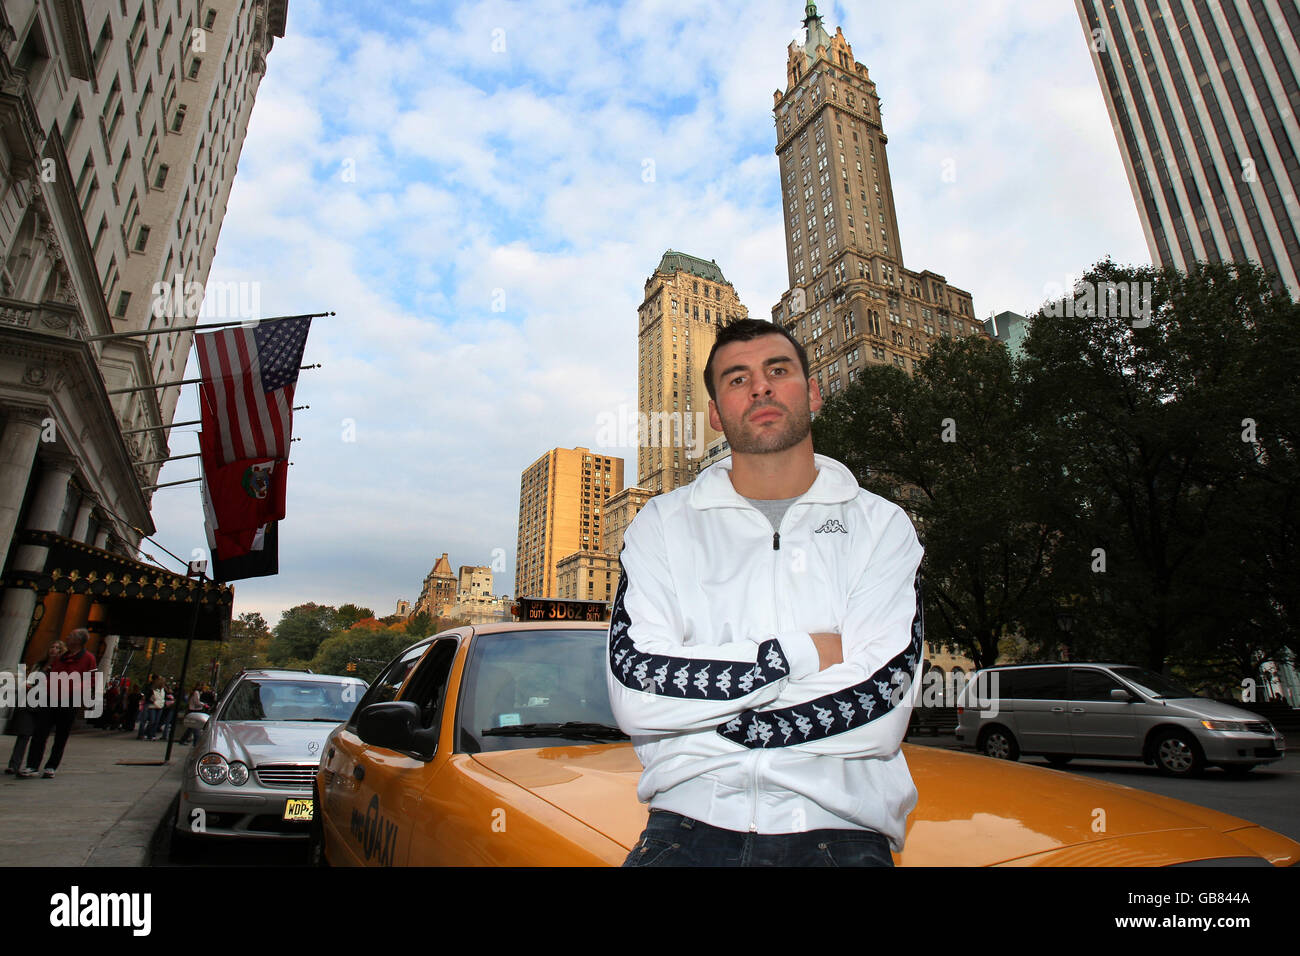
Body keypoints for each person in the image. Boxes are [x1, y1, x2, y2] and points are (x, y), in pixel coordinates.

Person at [608, 318, 924, 867]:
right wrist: (804, 653)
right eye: (736, 379)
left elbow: (883, 708)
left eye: (778, 370)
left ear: (814, 392)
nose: (760, 387)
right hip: (685, 830)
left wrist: (700, 722)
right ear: (714, 413)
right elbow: (637, 693)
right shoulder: (660, 524)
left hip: (841, 835)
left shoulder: (882, 525)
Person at [25, 629, 98, 778]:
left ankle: (51, 766)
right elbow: (52, 674)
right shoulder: (60, 658)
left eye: (70, 636)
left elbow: (91, 679)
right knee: (39, 733)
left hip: (70, 701)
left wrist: (73, 689)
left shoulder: (88, 658)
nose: (67, 637)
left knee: (61, 736)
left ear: (78, 641)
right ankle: (32, 765)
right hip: (51, 698)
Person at [6, 641, 65, 778]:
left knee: (39, 737)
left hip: (45, 705)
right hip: (30, 702)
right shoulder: (39, 665)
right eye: (52, 647)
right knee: (23, 734)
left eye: (57, 648)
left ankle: (32, 765)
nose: (53, 650)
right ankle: (13, 765)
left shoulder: (60, 667)